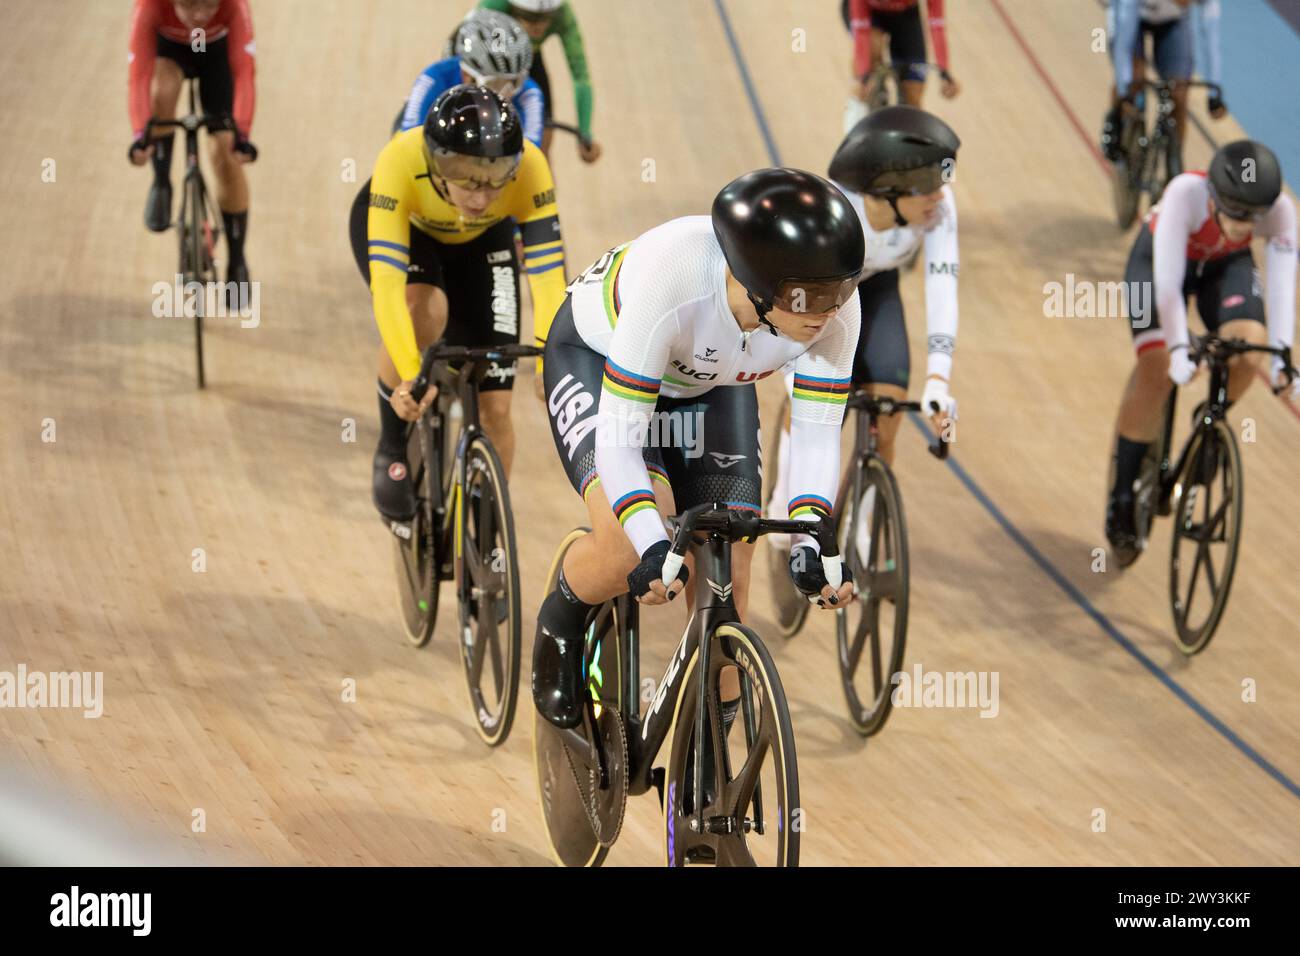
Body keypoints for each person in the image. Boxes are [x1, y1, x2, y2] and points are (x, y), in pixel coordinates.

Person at [532, 168, 863, 731]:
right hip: (599, 362)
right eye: (812, 297)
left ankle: (710, 752)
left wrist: (810, 535)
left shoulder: (832, 311)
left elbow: (814, 432)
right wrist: (648, 539)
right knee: (626, 550)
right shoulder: (674, 280)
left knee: (730, 558)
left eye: (843, 290)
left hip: (709, 386)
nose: (829, 312)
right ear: (757, 281)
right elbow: (619, 443)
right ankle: (559, 621)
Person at [762, 106, 960, 625]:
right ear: (887, 189)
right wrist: (794, 371)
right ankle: (783, 516)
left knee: (889, 409)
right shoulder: (837, 209)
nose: (939, 197)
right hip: (826, 289)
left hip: (878, 290)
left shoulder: (937, 207)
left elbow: (943, 282)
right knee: (816, 404)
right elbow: (796, 310)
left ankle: (866, 532)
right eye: (926, 186)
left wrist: (939, 375)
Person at [349, 85, 567, 525]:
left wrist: (549, 358)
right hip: (413, 236)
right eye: (466, 179)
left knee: (497, 409)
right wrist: (411, 374)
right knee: (423, 309)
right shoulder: (400, 160)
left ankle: (487, 532)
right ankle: (393, 446)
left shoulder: (531, 168)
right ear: (435, 162)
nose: (481, 196)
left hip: (483, 242)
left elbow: (547, 277)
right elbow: (388, 287)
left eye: (495, 180)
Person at [1105, 140, 1297, 564]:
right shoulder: (1183, 194)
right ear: (1214, 196)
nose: (1246, 224)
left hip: (1223, 268)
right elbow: (1168, 287)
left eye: (1255, 215)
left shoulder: (1280, 211)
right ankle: (1121, 497)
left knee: (1249, 349)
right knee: (1156, 368)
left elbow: (1282, 288)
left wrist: (1284, 359)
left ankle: (1210, 423)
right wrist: (1177, 348)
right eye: (1236, 213)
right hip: (1155, 264)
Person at [127, 0, 257, 288]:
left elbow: (245, 74)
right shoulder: (150, 6)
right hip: (169, 53)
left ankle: (237, 262)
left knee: (225, 155)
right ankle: (161, 181)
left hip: (217, 57)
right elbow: (138, 78)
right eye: (189, 7)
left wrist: (242, 135)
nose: (199, 16)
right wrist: (140, 134)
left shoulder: (234, 6)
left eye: (209, 7)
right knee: (161, 91)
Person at [398, 9, 545, 148]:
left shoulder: (529, 93)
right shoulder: (434, 77)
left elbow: (531, 152)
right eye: (495, 83)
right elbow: (409, 140)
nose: (506, 93)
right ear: (466, 74)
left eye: (515, 82)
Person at [1100, 0, 1225, 164]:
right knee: (1133, 78)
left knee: (1179, 93)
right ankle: (1114, 121)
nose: (1189, 3)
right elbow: (1123, 45)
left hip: (1172, 21)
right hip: (1129, 14)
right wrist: (1125, 90)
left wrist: (1214, 94)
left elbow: (1212, 43)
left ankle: (1173, 165)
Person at [476, 0, 602, 163]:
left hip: (530, 59)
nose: (538, 25)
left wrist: (584, 133)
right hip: (493, 60)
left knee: (541, 153)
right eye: (528, 16)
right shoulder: (495, 6)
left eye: (546, 17)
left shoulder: (563, 14)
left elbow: (580, 75)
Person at [841, 0, 959, 132]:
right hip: (869, 13)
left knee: (913, 103)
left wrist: (944, 72)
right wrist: (863, 76)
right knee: (870, 54)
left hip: (905, 17)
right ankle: (855, 115)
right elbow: (861, 31)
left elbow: (937, 24)